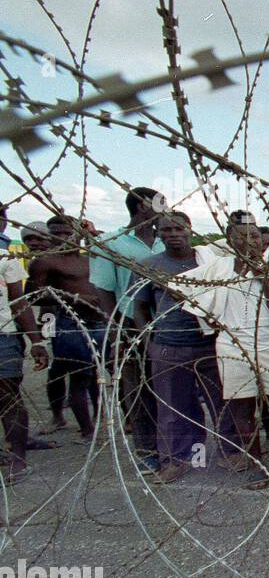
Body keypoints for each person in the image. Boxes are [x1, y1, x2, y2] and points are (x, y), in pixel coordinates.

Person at [177, 213, 269, 487]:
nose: (249, 241)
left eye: (254, 235)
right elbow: (180, 288)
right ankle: (257, 467)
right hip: (231, 342)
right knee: (243, 410)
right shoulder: (217, 270)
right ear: (230, 239)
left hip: (268, 341)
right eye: (241, 236)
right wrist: (208, 314)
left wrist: (261, 275)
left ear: (263, 240)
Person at [133, 211, 227, 484]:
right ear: (158, 232)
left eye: (178, 228)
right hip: (168, 345)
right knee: (173, 408)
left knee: (222, 404)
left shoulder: (210, 262)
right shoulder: (148, 265)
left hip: (210, 343)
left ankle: (231, 452)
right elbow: (139, 306)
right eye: (166, 230)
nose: (173, 234)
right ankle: (175, 460)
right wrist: (148, 340)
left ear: (190, 229)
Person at [89, 186, 167, 473]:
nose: (166, 208)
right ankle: (147, 451)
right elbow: (104, 291)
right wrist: (117, 331)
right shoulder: (111, 243)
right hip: (131, 326)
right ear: (141, 207)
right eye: (160, 203)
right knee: (139, 389)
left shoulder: (165, 241)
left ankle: (172, 448)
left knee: (168, 388)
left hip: (169, 325)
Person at [26, 215, 108, 441]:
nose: (63, 238)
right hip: (70, 323)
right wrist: (73, 298)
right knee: (78, 375)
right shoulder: (45, 262)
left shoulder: (90, 258)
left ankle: (99, 418)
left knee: (95, 374)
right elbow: (32, 297)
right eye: (56, 234)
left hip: (98, 321)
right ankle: (87, 429)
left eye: (68, 233)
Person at [0, 233, 50, 482]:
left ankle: (18, 459)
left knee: (8, 399)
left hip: (3, 336)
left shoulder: (5, 259)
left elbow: (18, 303)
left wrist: (36, 341)